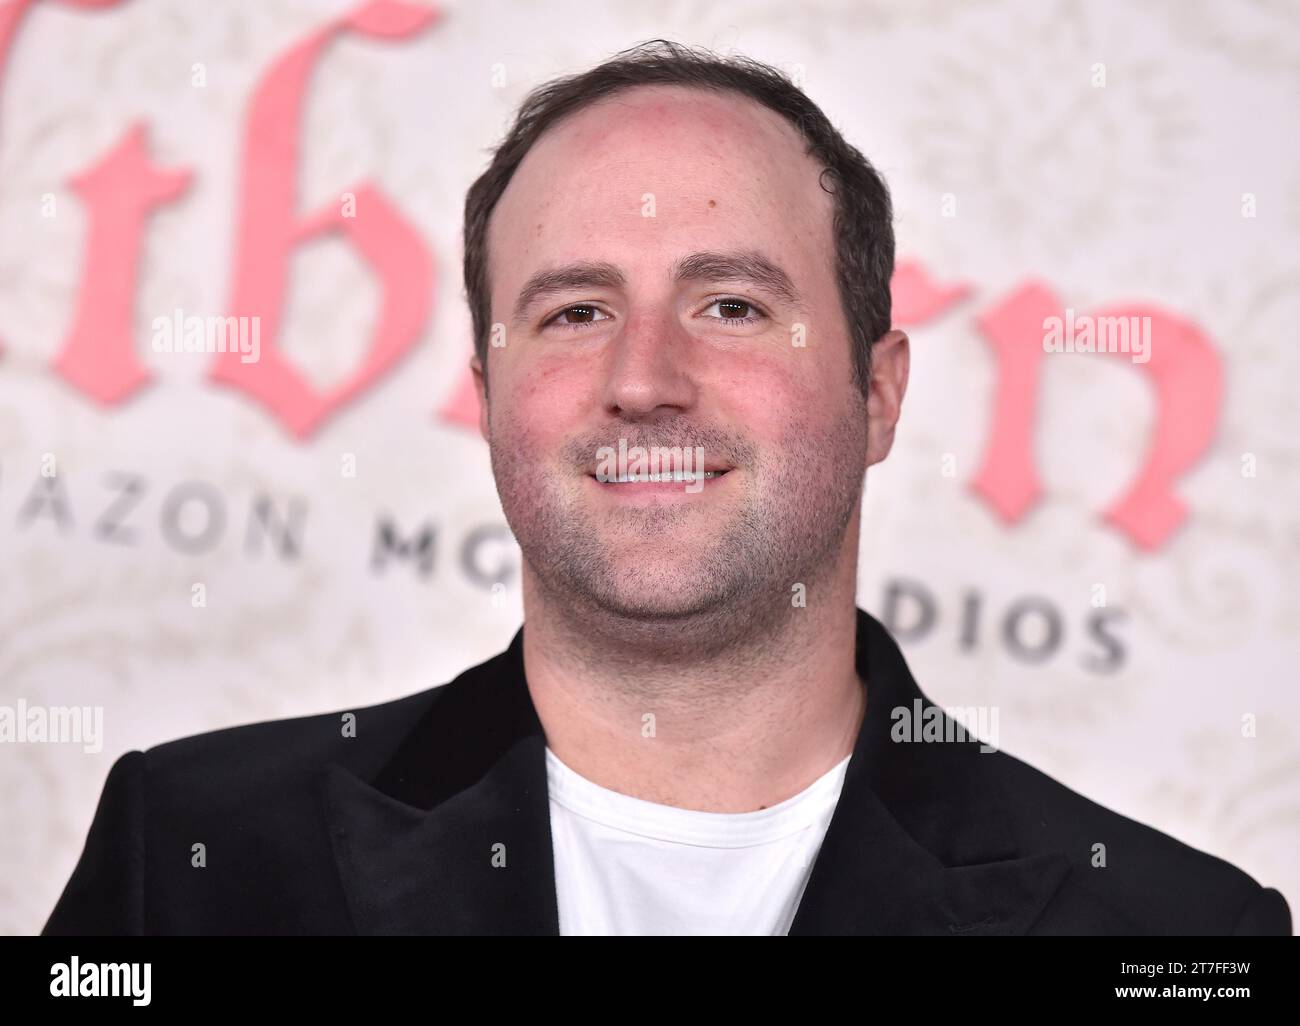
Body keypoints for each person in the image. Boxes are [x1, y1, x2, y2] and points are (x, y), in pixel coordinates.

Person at [43, 39, 1291, 936]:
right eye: (576, 309)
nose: (644, 380)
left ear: (879, 393)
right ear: (485, 393)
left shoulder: (1173, 933)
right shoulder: (197, 856)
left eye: (731, 305)